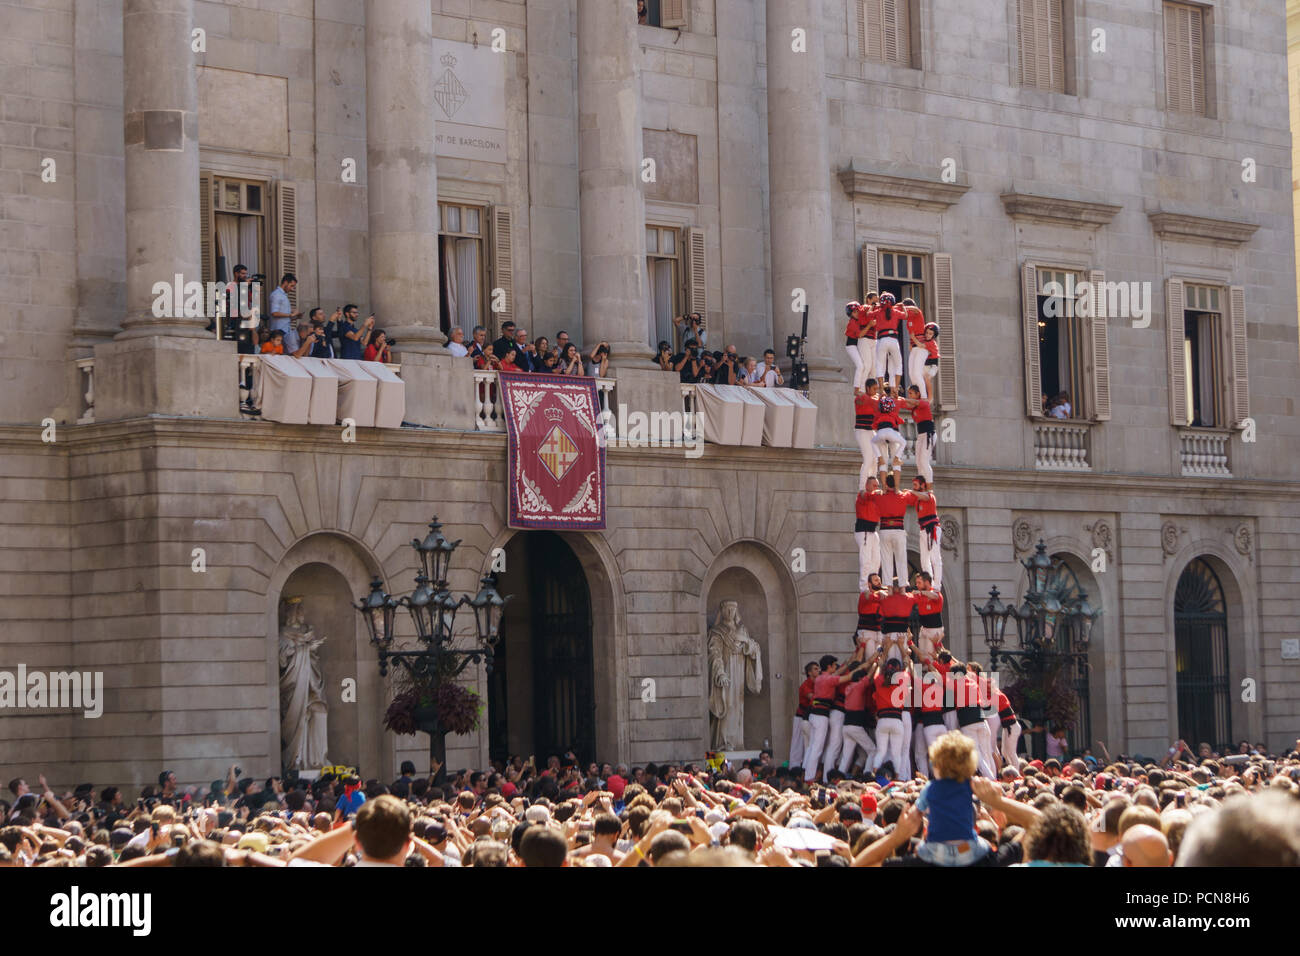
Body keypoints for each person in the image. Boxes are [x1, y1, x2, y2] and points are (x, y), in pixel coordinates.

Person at [914, 731, 990, 865]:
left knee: (916, 848)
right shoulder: (970, 784)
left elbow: (918, 810)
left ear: (937, 764)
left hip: (936, 848)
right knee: (988, 845)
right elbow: (988, 795)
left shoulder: (930, 787)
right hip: (967, 847)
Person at [874, 473, 915, 588]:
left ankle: (889, 586)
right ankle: (903, 586)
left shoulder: (880, 496)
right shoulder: (903, 495)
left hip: (885, 529)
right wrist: (906, 491)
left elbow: (870, 496)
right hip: (898, 530)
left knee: (886, 559)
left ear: (886, 484)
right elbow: (913, 500)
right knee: (901, 558)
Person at [871, 386, 906, 486]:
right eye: (894, 392)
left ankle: (884, 488)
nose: (896, 394)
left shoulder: (878, 406)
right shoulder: (897, 403)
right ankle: (897, 488)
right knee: (896, 463)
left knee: (883, 462)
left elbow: (874, 424)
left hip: (881, 433)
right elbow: (899, 420)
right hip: (893, 433)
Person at [911, 476, 943, 590]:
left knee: (935, 558)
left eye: (915, 485)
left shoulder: (929, 496)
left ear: (923, 485)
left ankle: (937, 585)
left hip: (932, 529)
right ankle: (928, 583)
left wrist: (912, 492)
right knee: (924, 559)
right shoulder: (917, 499)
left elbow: (925, 496)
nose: (913, 487)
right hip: (924, 530)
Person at [868, 291, 905, 388]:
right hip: (893, 340)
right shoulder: (895, 311)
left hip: (882, 340)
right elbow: (906, 316)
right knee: (898, 365)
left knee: (880, 365)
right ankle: (896, 388)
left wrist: (873, 306)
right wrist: (903, 306)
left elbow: (868, 314)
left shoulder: (879, 311)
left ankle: (881, 388)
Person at [901, 385, 935, 485]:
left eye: (911, 393)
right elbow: (903, 404)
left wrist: (902, 399)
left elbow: (914, 402)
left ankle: (929, 487)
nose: (909, 396)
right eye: (909, 394)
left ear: (918, 394)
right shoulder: (914, 408)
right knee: (919, 462)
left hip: (929, 434)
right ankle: (921, 484)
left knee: (924, 461)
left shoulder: (923, 403)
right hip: (921, 436)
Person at [854, 476, 881, 593]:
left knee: (876, 560)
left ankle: (873, 584)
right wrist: (880, 493)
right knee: (865, 561)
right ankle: (864, 588)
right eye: (874, 485)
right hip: (863, 531)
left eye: (877, 486)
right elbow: (869, 496)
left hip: (872, 531)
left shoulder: (875, 498)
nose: (876, 488)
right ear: (867, 485)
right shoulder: (862, 495)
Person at [790, 660, 819, 770]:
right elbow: (812, 697)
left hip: (810, 718)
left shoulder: (816, 684)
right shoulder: (805, 685)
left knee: (808, 745)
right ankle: (794, 768)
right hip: (800, 717)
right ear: (809, 672)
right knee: (797, 744)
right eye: (815, 669)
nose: (818, 670)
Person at [854, 379, 880, 490]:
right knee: (868, 458)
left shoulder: (874, 399)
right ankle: (862, 488)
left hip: (870, 431)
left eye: (876, 389)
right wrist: (864, 396)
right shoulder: (860, 398)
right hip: (861, 431)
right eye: (874, 389)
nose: (875, 391)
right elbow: (860, 401)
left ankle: (872, 482)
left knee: (875, 459)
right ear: (868, 388)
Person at [913, 571, 944, 658]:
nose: (917, 585)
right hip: (924, 629)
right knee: (922, 656)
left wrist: (921, 593)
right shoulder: (919, 595)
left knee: (931, 657)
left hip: (934, 630)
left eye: (919, 582)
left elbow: (936, 597)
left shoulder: (935, 593)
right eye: (916, 583)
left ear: (926, 582)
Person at [903, 298, 929, 399]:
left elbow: (915, 309)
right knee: (911, 373)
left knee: (917, 372)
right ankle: (915, 395)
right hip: (914, 346)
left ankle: (923, 397)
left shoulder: (918, 313)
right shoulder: (908, 319)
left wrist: (902, 307)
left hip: (921, 346)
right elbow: (911, 334)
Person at [268, 273, 300, 350]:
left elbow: (284, 318)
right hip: (278, 331)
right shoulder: (277, 295)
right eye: (291, 286)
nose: (292, 289)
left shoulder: (283, 296)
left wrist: (295, 316)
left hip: (285, 330)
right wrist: (290, 315)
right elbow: (274, 313)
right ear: (285, 282)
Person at [844, 301, 868, 391]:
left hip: (856, 345)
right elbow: (860, 335)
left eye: (858, 311)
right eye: (854, 312)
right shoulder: (852, 322)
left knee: (865, 365)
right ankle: (857, 388)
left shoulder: (858, 320)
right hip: (851, 346)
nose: (857, 313)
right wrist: (869, 326)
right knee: (860, 366)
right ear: (850, 314)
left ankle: (863, 386)